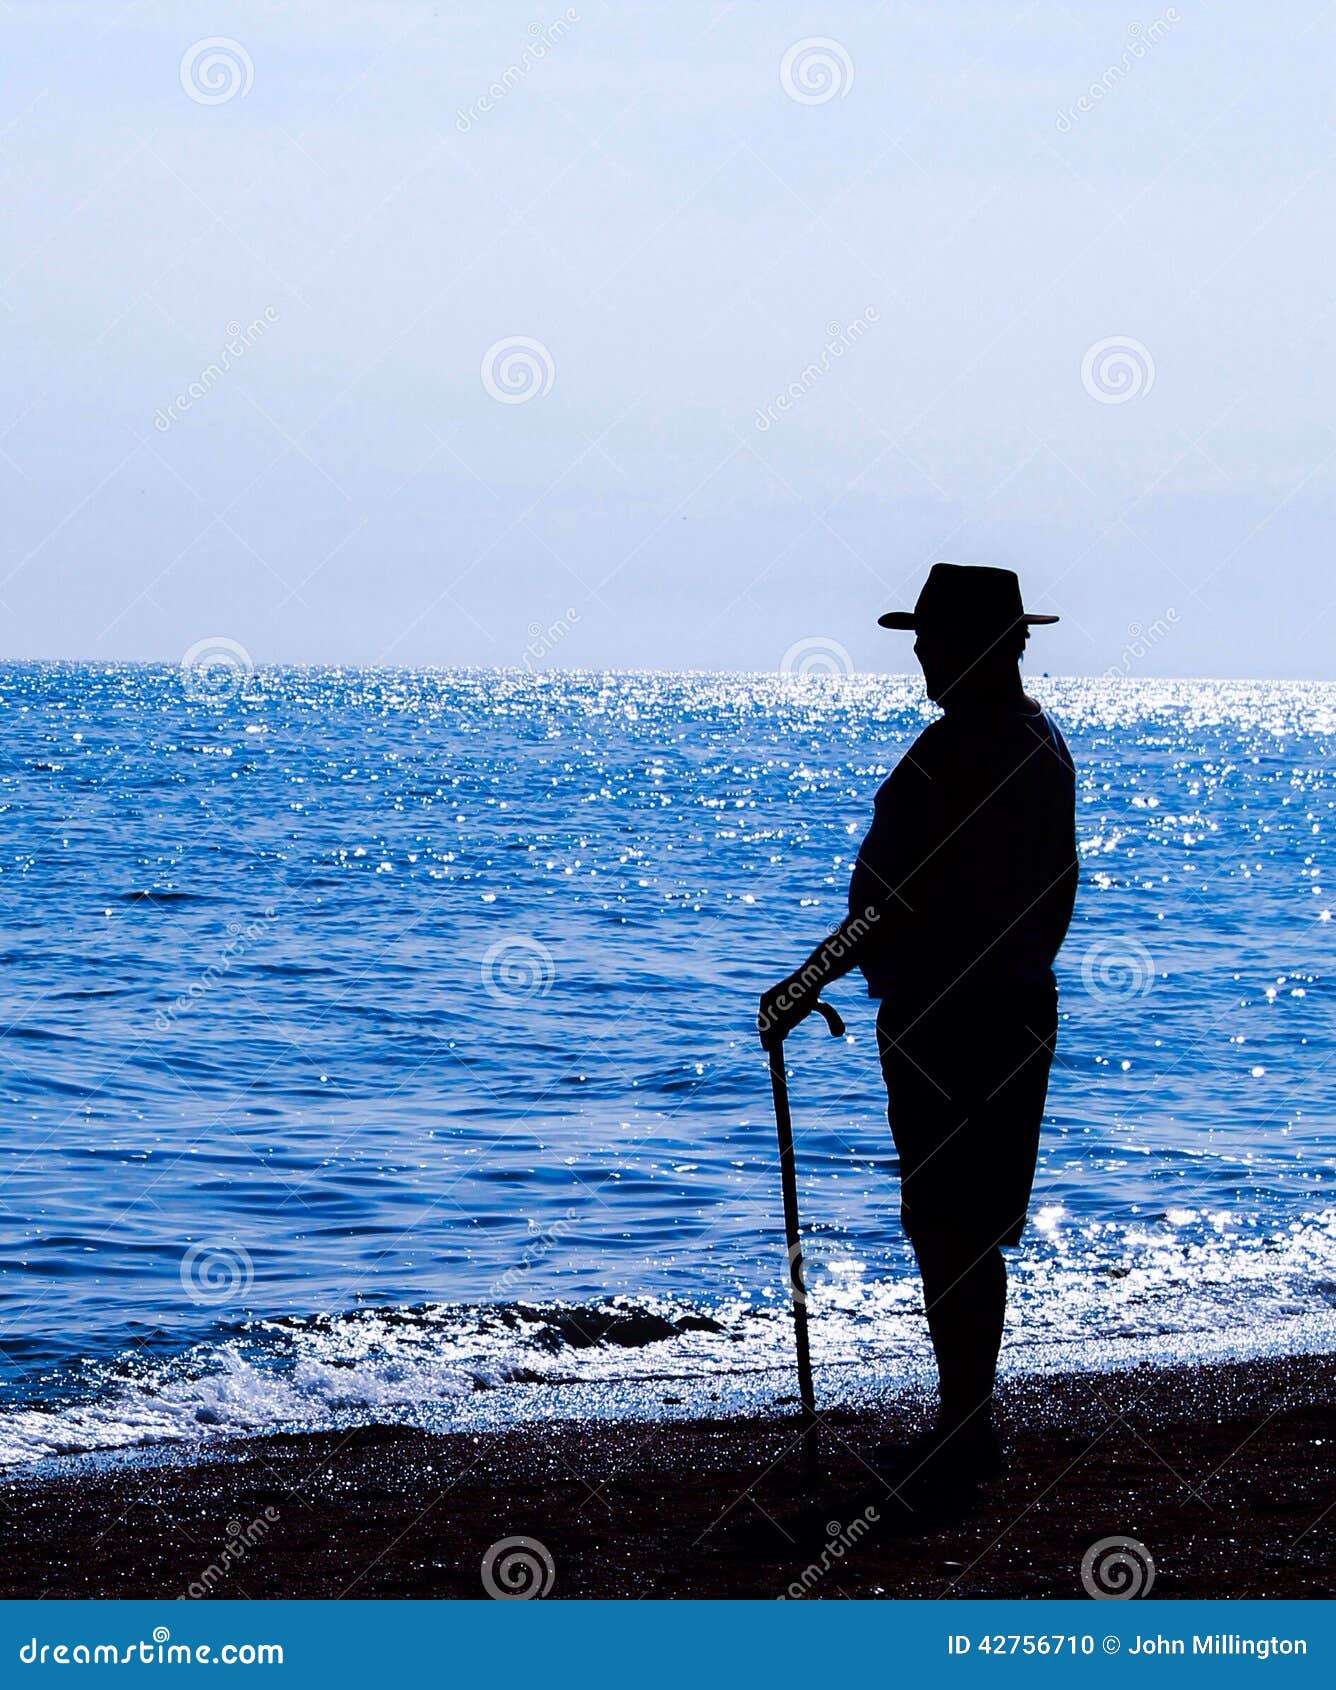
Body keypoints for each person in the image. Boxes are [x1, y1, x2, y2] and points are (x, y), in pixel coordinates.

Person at [758, 562, 1078, 1487]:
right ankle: (968, 1420)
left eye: (935, 642)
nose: (922, 659)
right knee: (969, 1223)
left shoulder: (955, 754)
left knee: (947, 1220)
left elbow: (886, 904)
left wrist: (802, 984)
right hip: (1017, 1005)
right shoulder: (1040, 746)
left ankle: (967, 1426)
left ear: (980, 646)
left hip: (948, 1017)